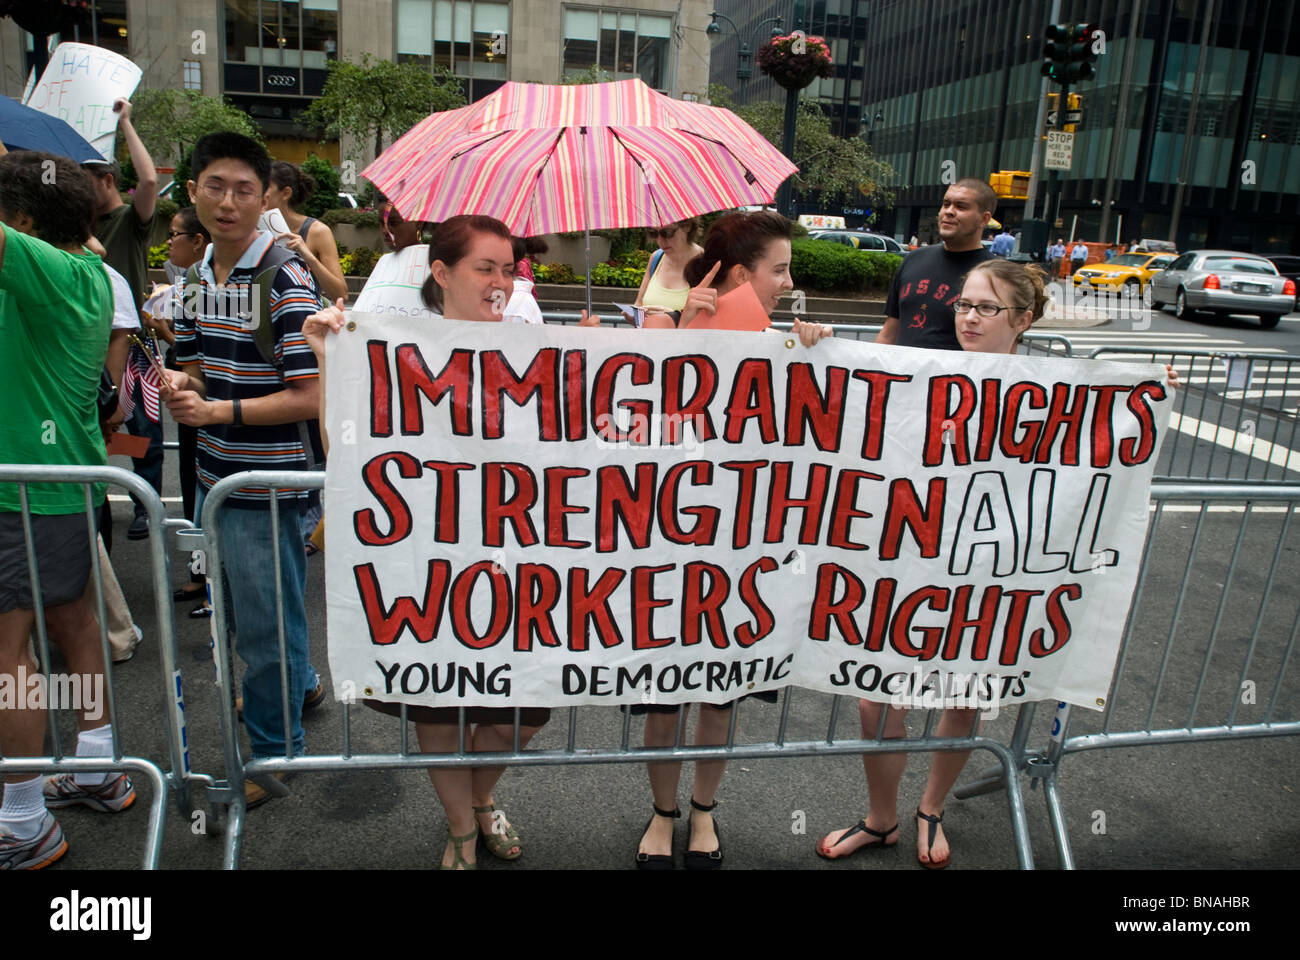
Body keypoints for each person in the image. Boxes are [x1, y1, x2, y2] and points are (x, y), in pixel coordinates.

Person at [818, 260, 1179, 869]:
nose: (968, 317)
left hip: (989, 570)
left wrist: (1152, 387)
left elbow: (1106, 425)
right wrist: (813, 348)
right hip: (906, 560)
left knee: (962, 693)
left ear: (1024, 319)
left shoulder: (1055, 385)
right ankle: (881, 818)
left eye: (986, 308)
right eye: (962, 304)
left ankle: (931, 808)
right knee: (877, 698)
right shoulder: (917, 367)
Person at [302, 215, 552, 869]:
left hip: (515, 568)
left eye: (508, 268)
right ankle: (462, 829)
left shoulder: (534, 351)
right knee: (439, 704)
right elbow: (346, 454)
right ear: (440, 273)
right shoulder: (396, 350)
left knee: (520, 714)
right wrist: (331, 360)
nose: (501, 282)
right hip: (426, 568)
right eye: (484, 268)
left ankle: (480, 799)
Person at [626, 210, 831, 869]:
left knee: (718, 690)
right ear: (742, 273)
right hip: (668, 548)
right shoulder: (667, 328)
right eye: (780, 269)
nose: (788, 282)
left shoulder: (781, 342)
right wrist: (682, 335)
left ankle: (705, 811)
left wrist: (817, 356)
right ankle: (663, 813)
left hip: (740, 554)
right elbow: (627, 427)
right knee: (665, 692)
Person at [162, 132, 326, 809]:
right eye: (214, 186)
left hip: (267, 483)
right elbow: (197, 365)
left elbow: (309, 394)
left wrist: (219, 411)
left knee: (262, 619)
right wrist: (180, 383)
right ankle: (298, 688)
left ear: (266, 199)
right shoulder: (200, 277)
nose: (227, 202)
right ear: (193, 190)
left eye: (243, 190)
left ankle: (274, 750)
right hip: (215, 478)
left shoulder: (285, 280)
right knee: (247, 611)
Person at [0, 148, 128, 870]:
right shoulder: (81, 270)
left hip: (21, 490)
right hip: (58, 484)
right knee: (73, 622)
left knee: (6, 655)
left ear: (21, 224)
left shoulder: (49, 271)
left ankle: (22, 822)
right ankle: (95, 766)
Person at [83, 98, 160, 542]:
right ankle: (103, 492)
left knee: (143, 424)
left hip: (133, 343)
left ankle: (145, 499)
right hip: (88, 342)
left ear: (108, 181)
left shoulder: (130, 221)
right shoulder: (76, 227)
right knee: (102, 422)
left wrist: (126, 122)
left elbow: (149, 179)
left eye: (84, 181)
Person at [142, 206, 213, 617]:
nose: (169, 243)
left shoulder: (200, 280)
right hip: (194, 401)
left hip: (208, 407)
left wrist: (158, 327)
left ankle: (207, 582)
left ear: (197, 241)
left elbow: (192, 354)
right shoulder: (188, 280)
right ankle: (200, 575)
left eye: (175, 235)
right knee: (193, 485)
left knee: (203, 487)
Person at [875, 178, 995, 351]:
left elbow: (1005, 348)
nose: (949, 212)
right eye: (946, 204)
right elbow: (889, 333)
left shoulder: (997, 274)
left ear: (984, 219)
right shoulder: (912, 259)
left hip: (957, 377)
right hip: (903, 376)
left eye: (961, 207)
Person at [264, 161, 348, 303]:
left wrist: (308, 257)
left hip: (303, 319)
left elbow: (341, 295)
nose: (258, 194)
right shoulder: (251, 229)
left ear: (285, 193)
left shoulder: (317, 231)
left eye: (265, 188)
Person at [349, 196, 436, 320]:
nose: (386, 230)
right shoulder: (384, 263)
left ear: (417, 222)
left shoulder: (433, 264)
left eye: (394, 223)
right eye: (381, 223)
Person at [632, 218, 704, 315]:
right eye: (653, 233)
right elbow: (639, 303)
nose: (660, 241)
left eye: (667, 233)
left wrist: (674, 317)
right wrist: (635, 317)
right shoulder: (656, 258)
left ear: (687, 226)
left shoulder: (706, 263)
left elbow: (711, 319)